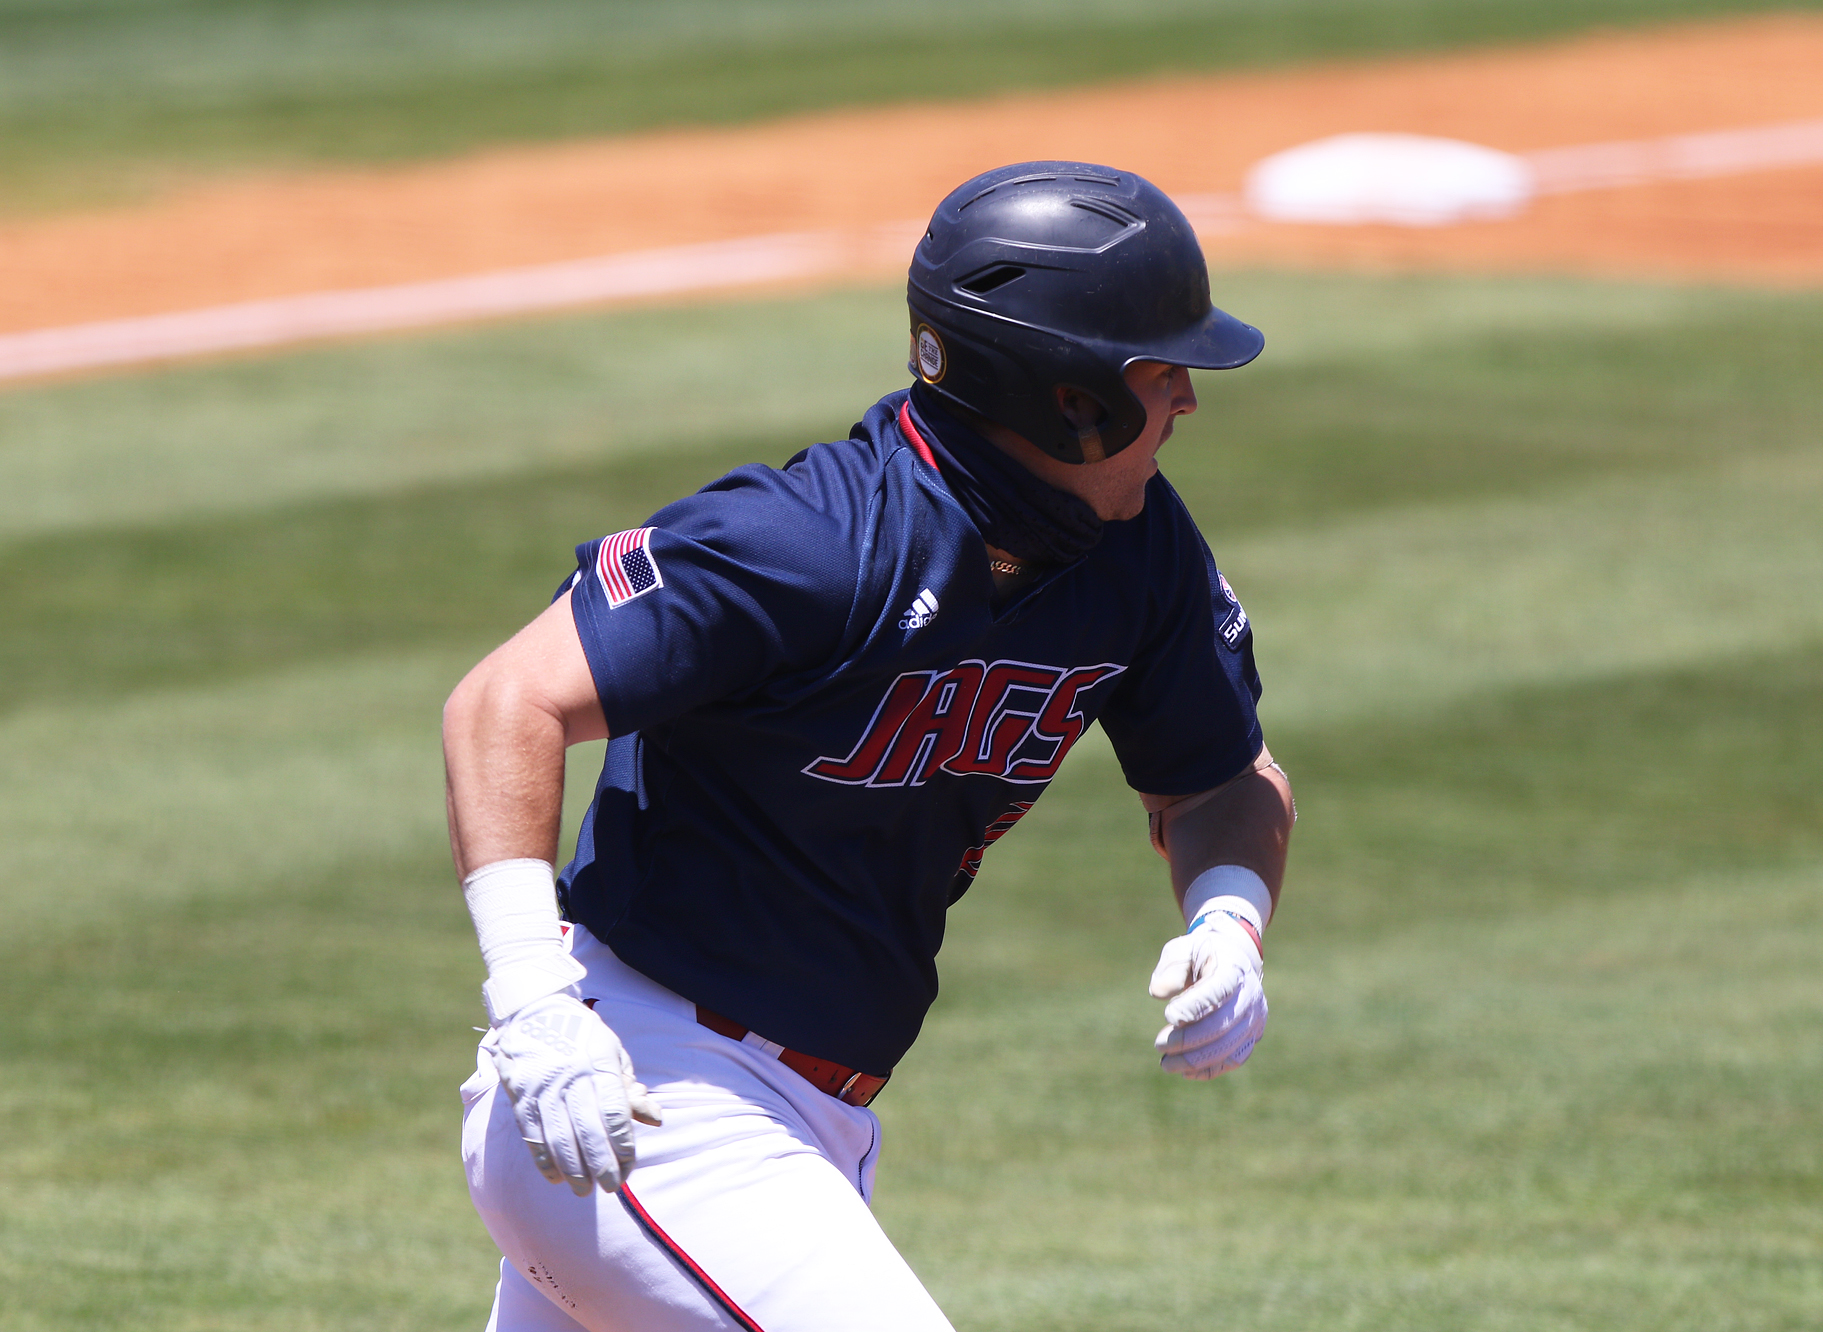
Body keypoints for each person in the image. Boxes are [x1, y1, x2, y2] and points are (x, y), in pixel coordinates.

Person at [442, 161, 1296, 1332]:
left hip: (809, 1127)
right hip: (642, 1102)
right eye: (1161, 372)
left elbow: (1218, 779)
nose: (1187, 402)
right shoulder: (811, 541)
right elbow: (504, 702)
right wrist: (532, 1001)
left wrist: (1228, 916)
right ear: (1069, 395)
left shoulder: (1136, 553)